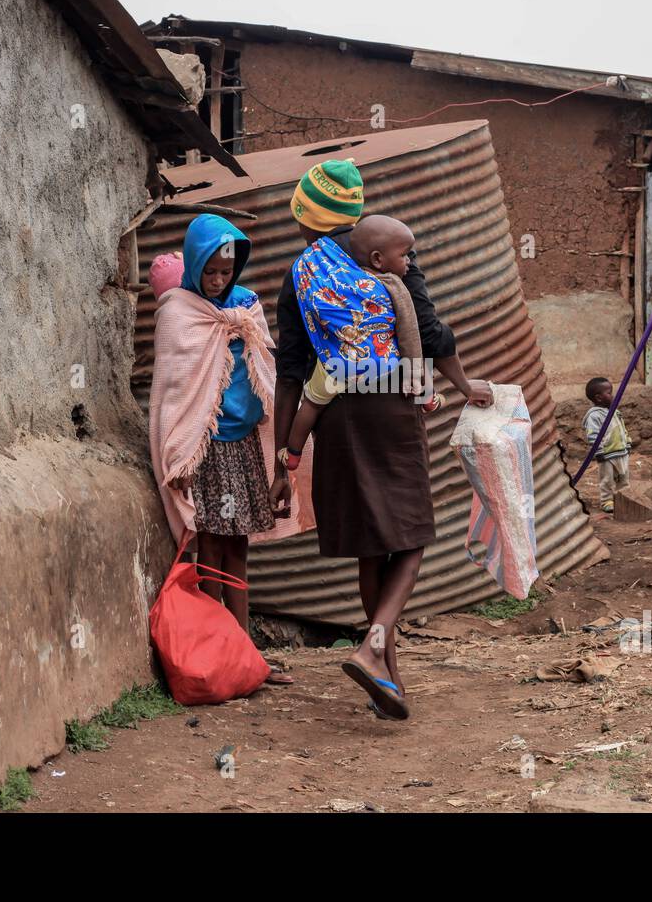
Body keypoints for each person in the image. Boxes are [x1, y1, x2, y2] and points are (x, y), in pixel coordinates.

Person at [271, 160, 492, 719]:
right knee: (413, 534)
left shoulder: (300, 275)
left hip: (337, 419)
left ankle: (387, 677)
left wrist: (283, 460)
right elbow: (434, 331)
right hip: (391, 410)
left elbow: (291, 372)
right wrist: (465, 386)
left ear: (304, 217)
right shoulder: (388, 256)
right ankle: (376, 650)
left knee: (372, 543)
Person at [148, 214, 308, 684]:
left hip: (241, 445)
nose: (219, 281)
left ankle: (244, 652)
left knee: (238, 548)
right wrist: (178, 453)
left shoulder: (245, 307)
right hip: (207, 450)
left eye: (226, 271)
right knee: (211, 550)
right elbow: (174, 391)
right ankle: (219, 654)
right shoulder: (181, 311)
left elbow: (268, 373)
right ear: (195, 265)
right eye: (211, 271)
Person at [278, 214, 440, 472]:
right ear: (378, 259)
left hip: (337, 369)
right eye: (404, 255)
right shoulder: (392, 285)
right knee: (410, 356)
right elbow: (410, 335)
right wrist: (417, 377)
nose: (409, 261)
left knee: (310, 404)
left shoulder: (331, 280)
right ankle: (429, 398)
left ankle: (293, 454)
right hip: (381, 367)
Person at [583, 376, 632, 513]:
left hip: (621, 451)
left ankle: (624, 498)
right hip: (607, 454)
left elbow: (622, 428)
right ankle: (607, 500)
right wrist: (598, 452)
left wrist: (627, 442)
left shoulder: (615, 412)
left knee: (624, 477)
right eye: (609, 393)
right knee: (607, 479)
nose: (613, 396)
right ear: (598, 398)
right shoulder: (594, 416)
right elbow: (592, 435)